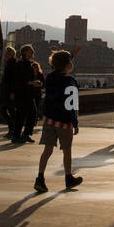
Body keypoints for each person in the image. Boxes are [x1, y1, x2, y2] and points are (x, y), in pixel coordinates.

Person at [34, 50, 82, 193]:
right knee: (66, 151)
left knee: (47, 150)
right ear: (68, 65)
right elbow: (72, 106)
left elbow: (58, 67)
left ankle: (40, 178)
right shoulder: (71, 82)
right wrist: (75, 122)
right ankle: (68, 177)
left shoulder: (49, 78)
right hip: (64, 122)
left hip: (49, 120)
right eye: (70, 62)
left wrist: (67, 56)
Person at [10, 45, 38, 143]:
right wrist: (30, 83)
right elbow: (17, 80)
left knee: (31, 114)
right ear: (25, 52)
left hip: (28, 94)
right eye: (31, 51)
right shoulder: (20, 64)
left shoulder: (28, 64)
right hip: (22, 94)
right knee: (21, 115)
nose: (32, 53)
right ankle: (17, 136)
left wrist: (34, 82)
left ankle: (24, 134)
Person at [0, 45, 19, 138]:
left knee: (6, 110)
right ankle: (12, 129)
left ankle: (12, 129)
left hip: (9, 92)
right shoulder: (9, 64)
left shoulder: (12, 64)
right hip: (7, 91)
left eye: (6, 53)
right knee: (7, 110)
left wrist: (12, 92)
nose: (5, 55)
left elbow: (14, 79)